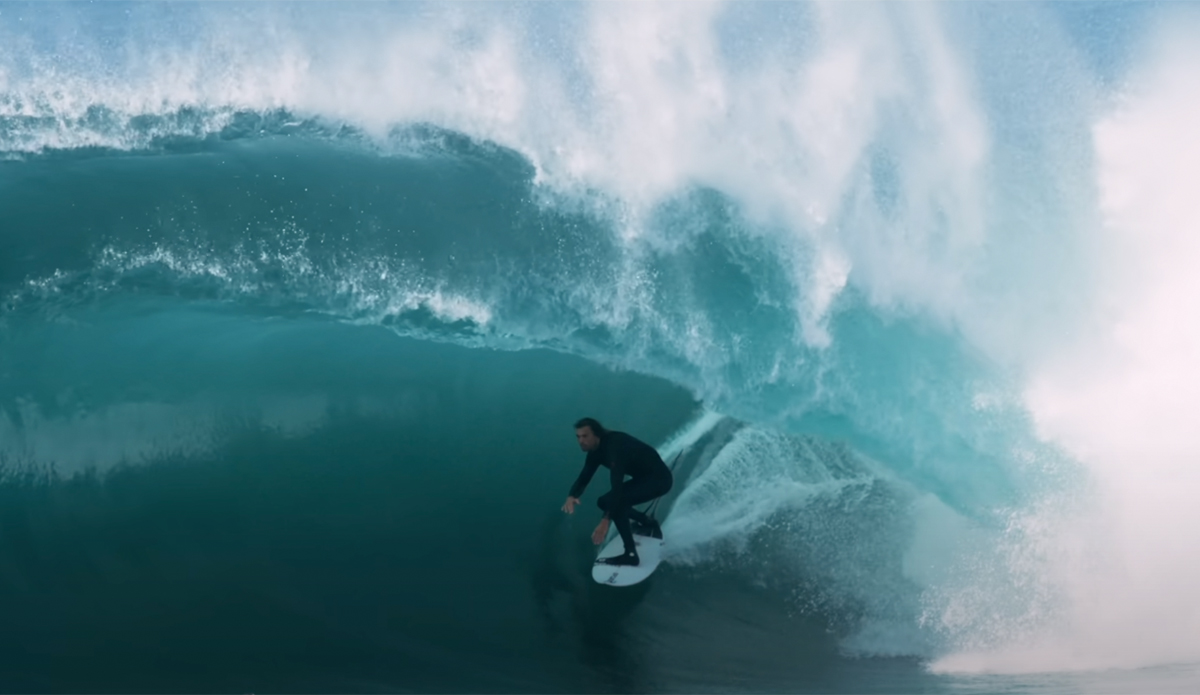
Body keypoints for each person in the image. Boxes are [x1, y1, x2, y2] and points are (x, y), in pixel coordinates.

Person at [561, 417, 673, 566]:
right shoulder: (596, 451)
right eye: (578, 437)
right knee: (603, 502)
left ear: (597, 434)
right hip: (644, 479)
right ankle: (647, 522)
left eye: (585, 436)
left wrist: (605, 520)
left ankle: (631, 555)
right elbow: (584, 477)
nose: (581, 441)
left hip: (659, 481)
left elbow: (617, 486)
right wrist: (572, 495)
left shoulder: (614, 447)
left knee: (614, 504)